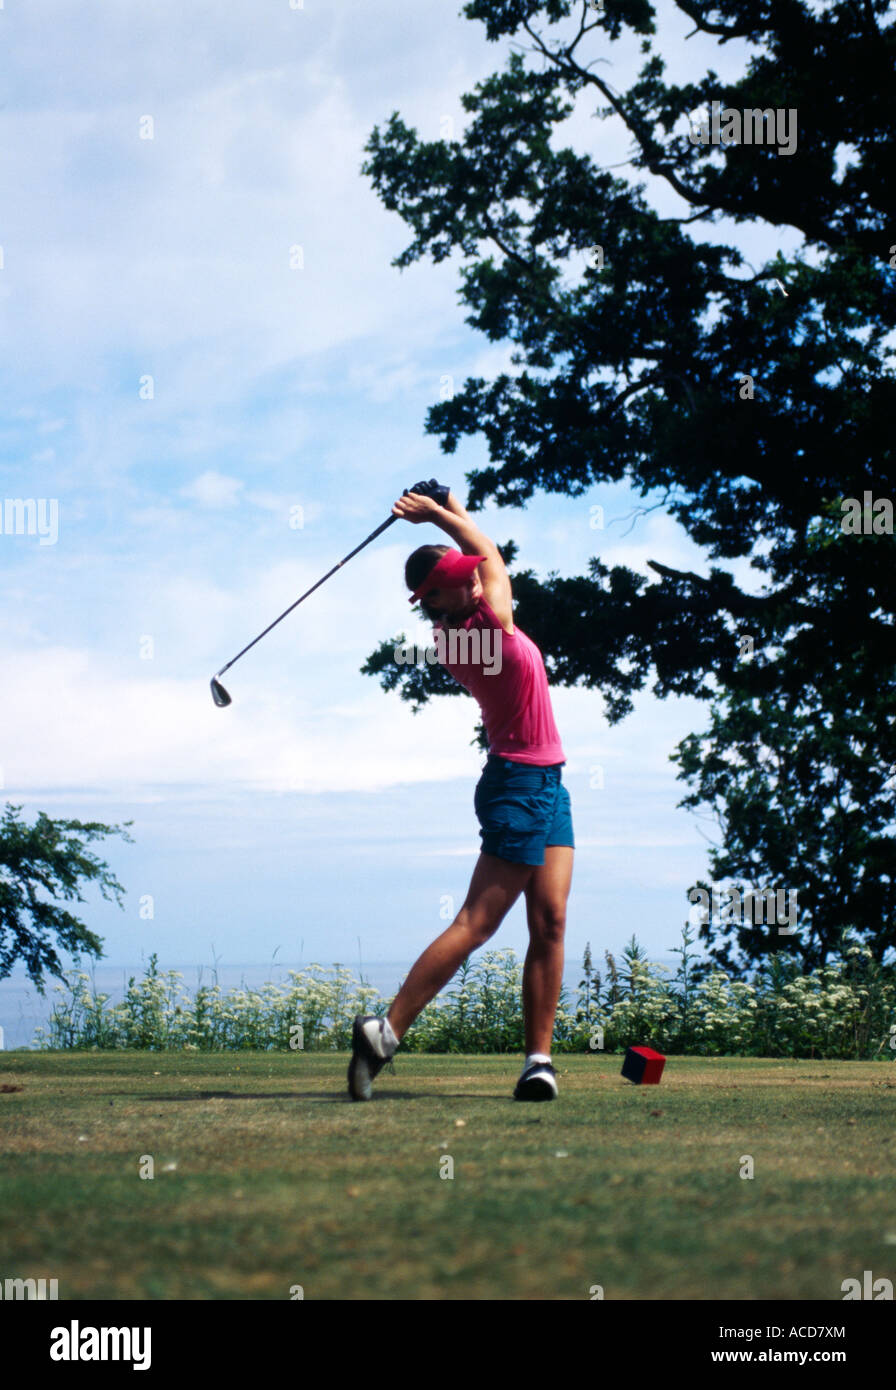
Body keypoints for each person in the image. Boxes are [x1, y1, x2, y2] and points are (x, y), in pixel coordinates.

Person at [348, 481, 574, 1102]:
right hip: (519, 784)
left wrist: (444, 505)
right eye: (458, 578)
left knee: (550, 921)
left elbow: (481, 556)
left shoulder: (470, 613)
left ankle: (537, 1062)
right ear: (433, 600)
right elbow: (490, 553)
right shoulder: (477, 634)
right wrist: (440, 516)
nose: (473, 578)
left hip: (547, 781)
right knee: (477, 922)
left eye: (470, 575)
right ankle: (384, 1033)